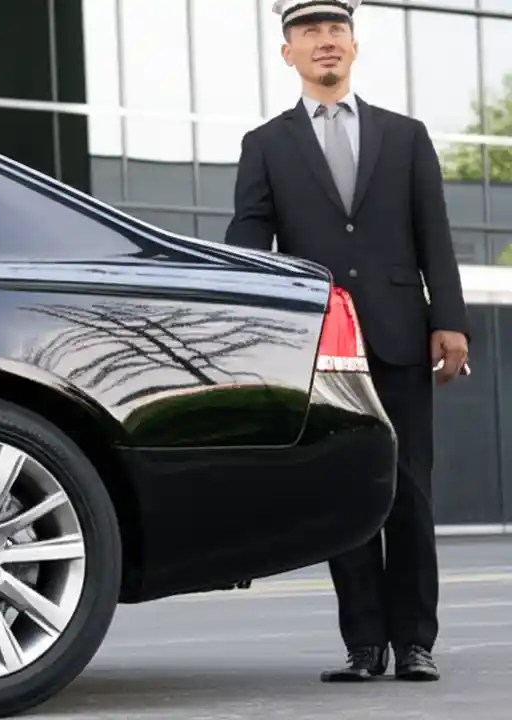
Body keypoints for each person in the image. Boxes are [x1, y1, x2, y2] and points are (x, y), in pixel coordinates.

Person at [225, 0, 470, 683]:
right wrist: (244, 327)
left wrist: (448, 318)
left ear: (353, 46)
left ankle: (415, 642)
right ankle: (364, 646)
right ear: (289, 54)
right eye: (309, 31)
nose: (324, 41)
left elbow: (435, 236)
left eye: (335, 29)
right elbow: (251, 240)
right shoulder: (265, 144)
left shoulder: (406, 135)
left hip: (400, 337)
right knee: (347, 494)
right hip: (323, 348)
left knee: (410, 493)